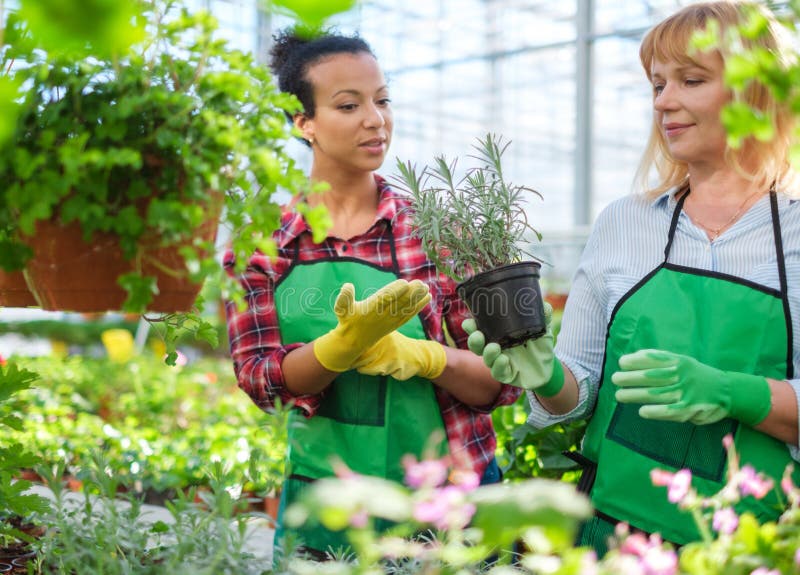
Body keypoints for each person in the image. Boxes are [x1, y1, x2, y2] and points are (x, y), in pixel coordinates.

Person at [465, 0, 800, 556]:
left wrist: (730, 392)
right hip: (613, 537)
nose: (665, 101)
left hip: (750, 550)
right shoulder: (624, 223)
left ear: (754, 91)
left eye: (690, 80)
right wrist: (548, 378)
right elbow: (578, 396)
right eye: (657, 85)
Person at [223, 28, 521, 560]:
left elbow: (499, 385)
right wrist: (337, 349)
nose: (375, 119)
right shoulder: (261, 246)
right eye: (348, 104)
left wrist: (426, 356)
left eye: (383, 100)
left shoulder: (441, 233)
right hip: (327, 504)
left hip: (451, 500)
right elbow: (260, 379)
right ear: (303, 122)